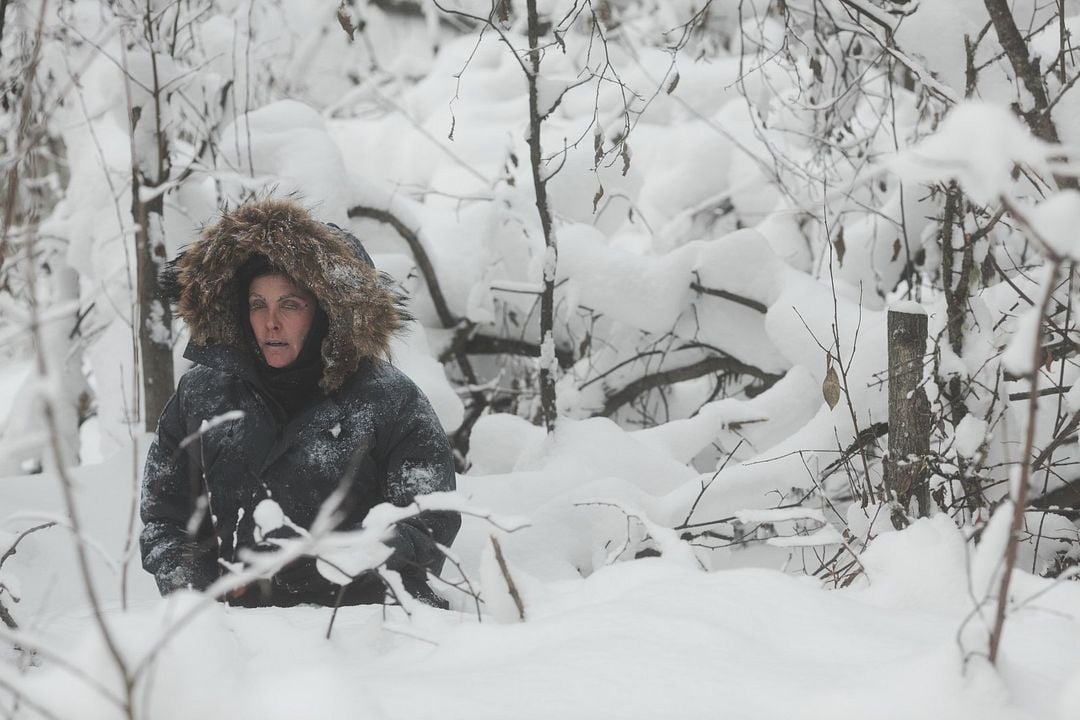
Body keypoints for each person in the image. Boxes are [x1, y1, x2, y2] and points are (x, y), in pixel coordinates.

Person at [140, 197, 459, 608]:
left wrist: (315, 574)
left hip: (363, 632)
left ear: (327, 311)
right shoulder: (202, 395)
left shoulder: (388, 400)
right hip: (237, 635)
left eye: (290, 305)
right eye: (258, 305)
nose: (270, 322)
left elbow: (430, 521)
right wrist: (203, 595)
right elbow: (165, 518)